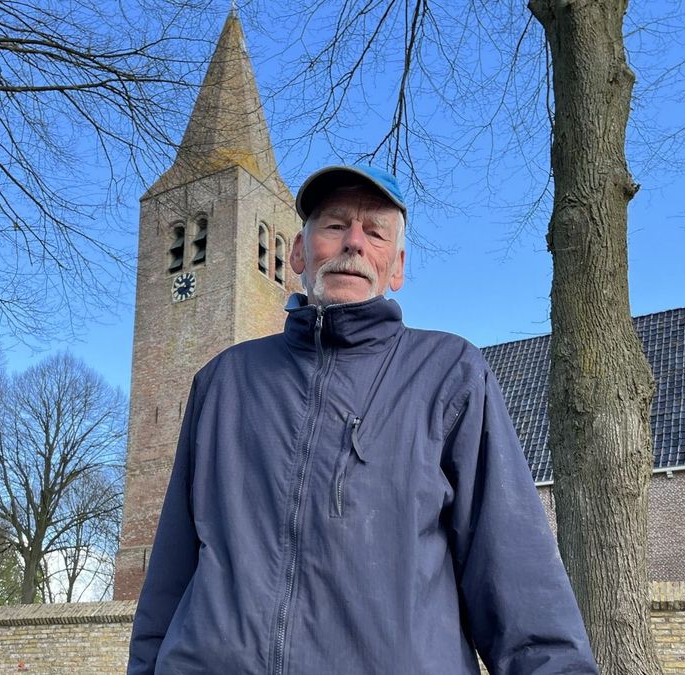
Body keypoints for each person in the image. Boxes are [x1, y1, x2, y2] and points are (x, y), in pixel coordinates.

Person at [128, 165, 598, 674]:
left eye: (375, 232)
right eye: (334, 225)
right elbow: (171, 574)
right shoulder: (222, 383)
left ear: (395, 267)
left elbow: (517, 576)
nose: (353, 241)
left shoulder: (449, 374)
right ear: (299, 253)